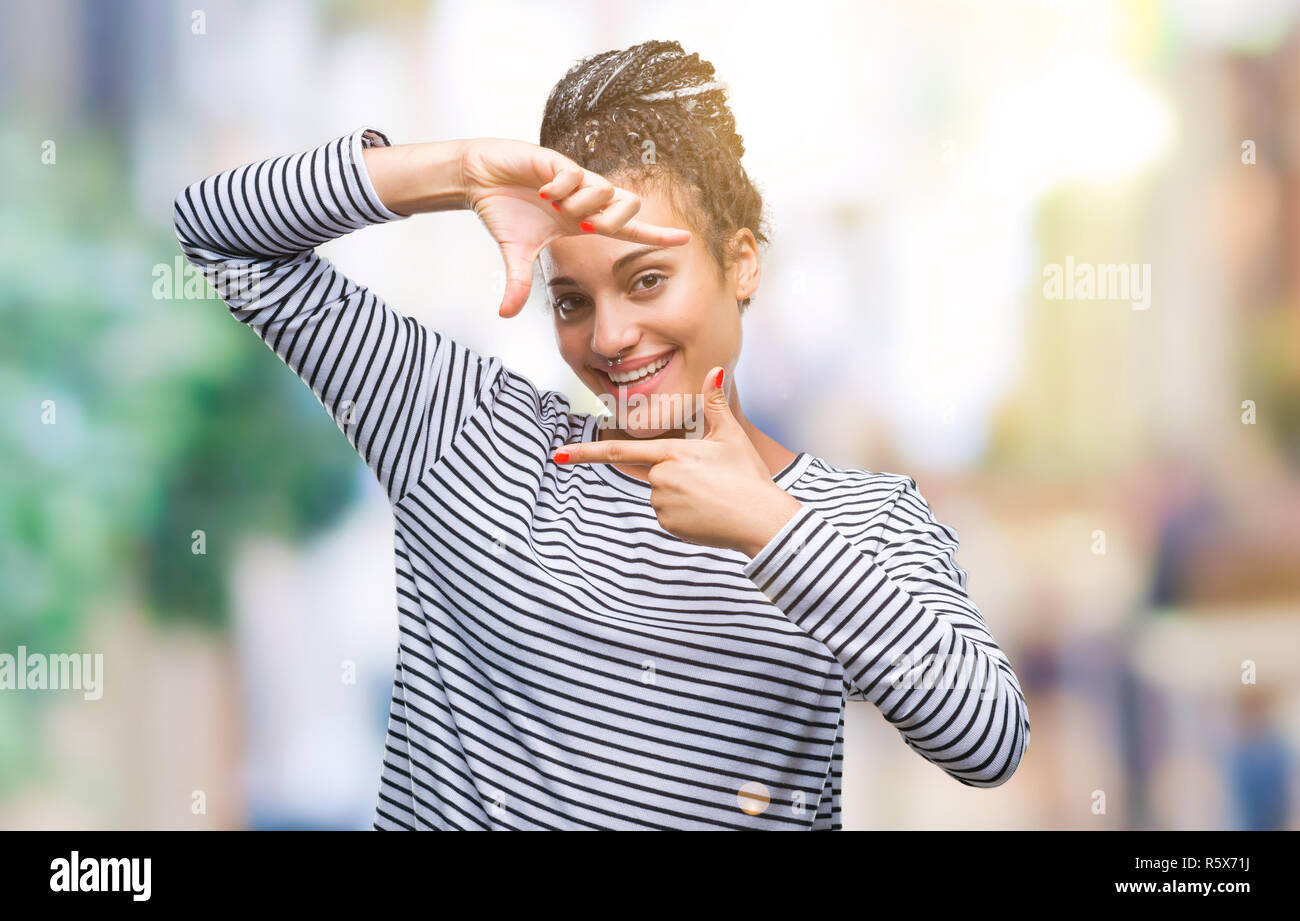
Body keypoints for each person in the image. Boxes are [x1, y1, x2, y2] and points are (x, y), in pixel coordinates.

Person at [172, 39, 1029, 830]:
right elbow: (218, 231)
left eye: (647, 279)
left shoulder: (863, 517)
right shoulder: (466, 437)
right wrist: (458, 171)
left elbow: (986, 741)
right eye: (573, 301)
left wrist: (772, 527)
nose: (610, 336)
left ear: (741, 262)